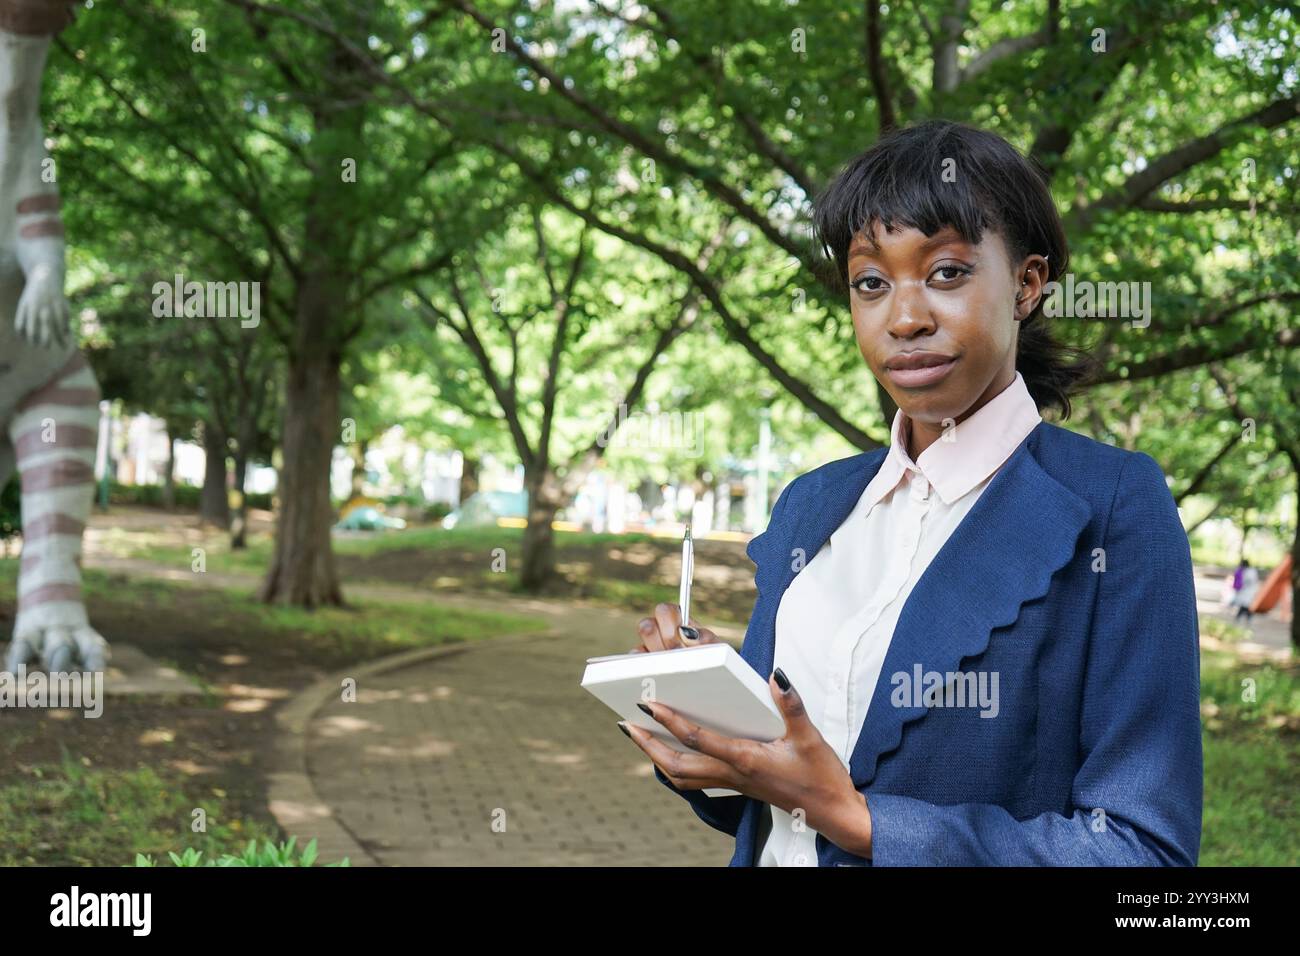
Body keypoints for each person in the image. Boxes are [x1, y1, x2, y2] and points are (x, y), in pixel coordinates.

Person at [619, 120, 1203, 866]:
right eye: (871, 282)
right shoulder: (813, 504)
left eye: (948, 272)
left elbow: (1141, 850)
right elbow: (762, 800)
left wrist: (861, 821)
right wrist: (698, 722)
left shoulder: (1114, 505)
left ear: (1027, 284)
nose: (905, 316)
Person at [1232, 559, 1260, 626]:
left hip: (1249, 591)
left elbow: (1250, 581)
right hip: (1246, 591)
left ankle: (1240, 617)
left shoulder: (1250, 571)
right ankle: (1244, 618)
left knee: (1245, 606)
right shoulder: (1245, 571)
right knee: (1245, 605)